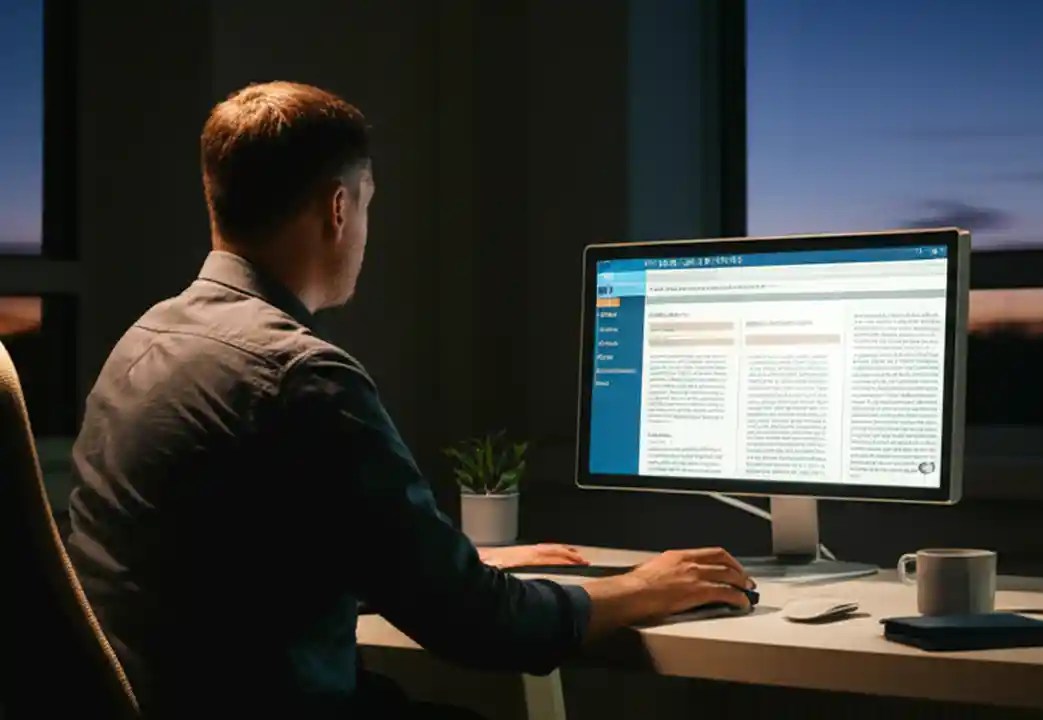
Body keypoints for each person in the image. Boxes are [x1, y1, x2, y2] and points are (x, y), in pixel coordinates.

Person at [65, 81, 753, 718]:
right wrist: (642, 586)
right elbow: (482, 626)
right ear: (339, 208)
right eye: (367, 204)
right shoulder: (302, 378)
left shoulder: (142, 342)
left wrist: (437, 562)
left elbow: (226, 569)